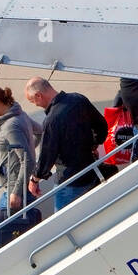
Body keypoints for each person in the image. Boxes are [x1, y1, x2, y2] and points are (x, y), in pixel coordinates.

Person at [25, 77, 108, 211]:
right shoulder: (78, 99)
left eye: (33, 101)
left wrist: (35, 178)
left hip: (69, 181)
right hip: (91, 171)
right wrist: (94, 145)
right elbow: (101, 125)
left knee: (62, 224)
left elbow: (47, 154)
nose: (35, 105)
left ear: (38, 95)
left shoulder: (51, 120)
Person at [0, 84, 40, 212]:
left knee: (3, 229)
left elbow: (27, 160)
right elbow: (39, 131)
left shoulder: (10, 126)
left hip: (16, 189)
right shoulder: (20, 115)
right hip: (20, 185)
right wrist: (28, 147)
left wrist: (16, 192)